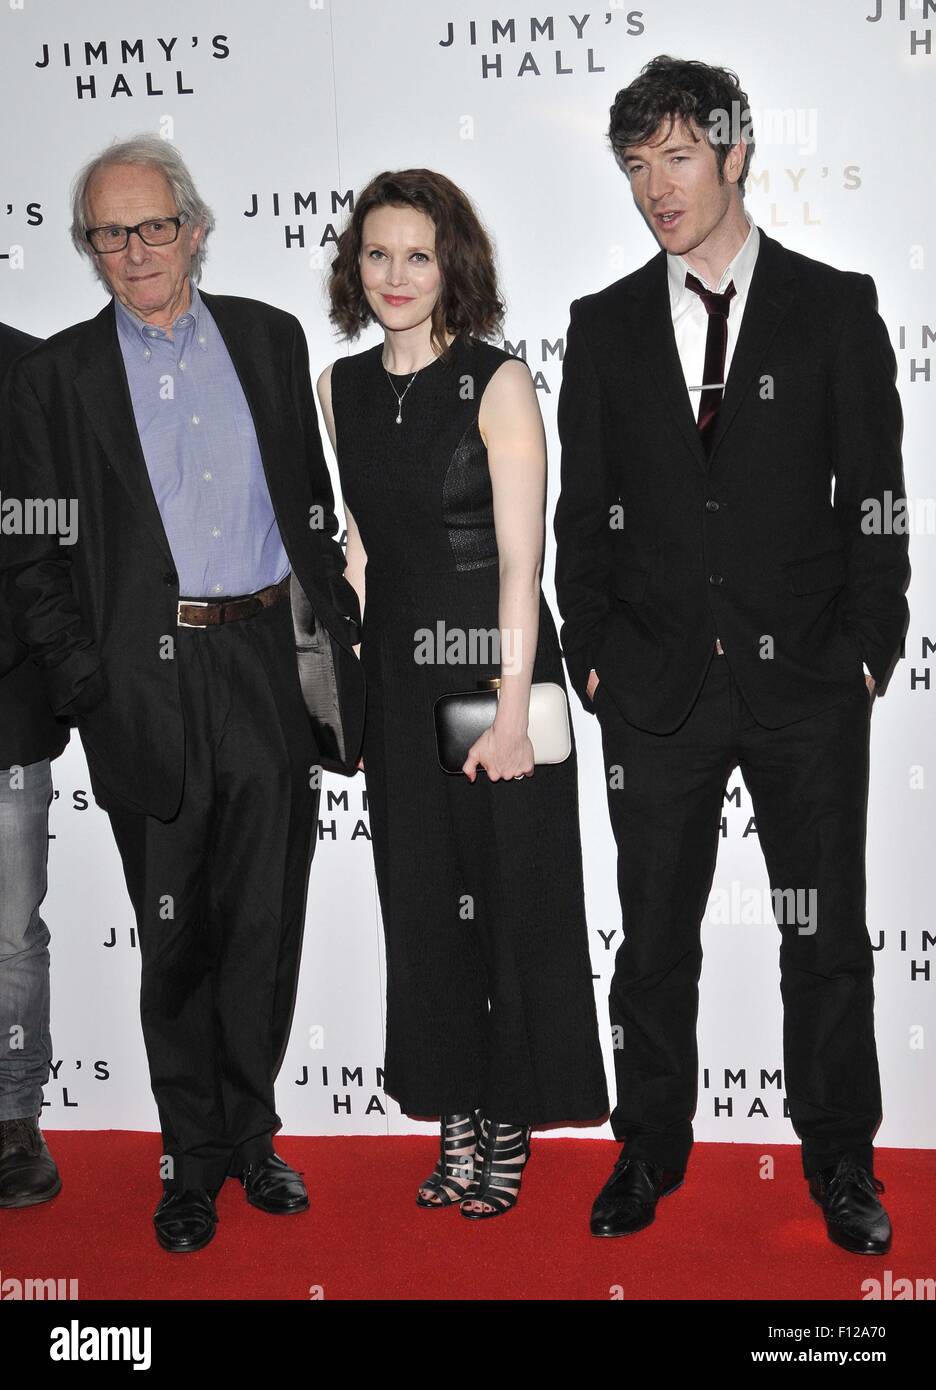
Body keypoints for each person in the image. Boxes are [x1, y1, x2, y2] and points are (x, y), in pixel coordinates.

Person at [554, 56, 909, 1252]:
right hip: (650, 691)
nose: (657, 186)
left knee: (824, 937)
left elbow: (876, 497)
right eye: (637, 165)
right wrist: (588, 650)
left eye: (679, 157)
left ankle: (843, 1163)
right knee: (652, 942)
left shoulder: (833, 306)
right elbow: (580, 512)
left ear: (736, 152)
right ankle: (647, 1150)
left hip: (807, 684)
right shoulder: (601, 327)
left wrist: (871, 644)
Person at [0, 134, 365, 1252]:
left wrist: (335, 637)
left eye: (154, 224)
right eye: (110, 233)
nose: (135, 249)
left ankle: (253, 1139)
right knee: (175, 940)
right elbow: (32, 550)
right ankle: (187, 1160)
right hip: (143, 685)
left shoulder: (268, 337)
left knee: (262, 919)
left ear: (195, 228)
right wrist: (89, 686)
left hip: (262, 663)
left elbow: (309, 505)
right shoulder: (53, 375)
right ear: (89, 251)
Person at [318, 169, 608, 1218]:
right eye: (378, 254)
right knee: (424, 906)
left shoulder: (498, 381)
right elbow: (360, 550)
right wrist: (341, 691)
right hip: (395, 679)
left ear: (455, 267)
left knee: (513, 902)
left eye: (419, 255)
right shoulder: (339, 386)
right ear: (356, 265)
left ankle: (513, 1115)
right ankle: (454, 1109)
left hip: (491, 663)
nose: (396, 276)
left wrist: (512, 705)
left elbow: (520, 561)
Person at [0, 322, 69, 1209]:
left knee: (10, 934)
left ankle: (12, 1120)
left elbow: (50, 542)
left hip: (5, 706)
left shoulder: (26, 367)